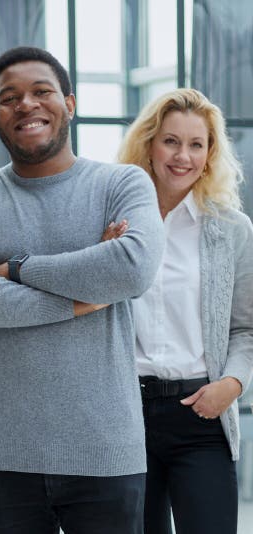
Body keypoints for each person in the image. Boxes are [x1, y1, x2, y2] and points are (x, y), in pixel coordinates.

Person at [0, 46, 166, 533]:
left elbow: (132, 269)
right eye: (9, 97)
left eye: (42, 91)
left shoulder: (122, 184)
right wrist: (83, 297)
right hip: (5, 456)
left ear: (70, 103)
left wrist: (13, 269)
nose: (26, 104)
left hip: (106, 451)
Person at [117, 88, 253, 534]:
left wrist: (231, 385)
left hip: (201, 412)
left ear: (211, 152)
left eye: (197, 144)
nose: (183, 156)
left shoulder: (230, 228)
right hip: (123, 413)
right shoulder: (116, 221)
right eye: (171, 141)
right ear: (149, 144)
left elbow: (246, 328)